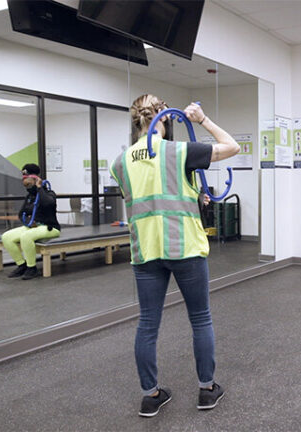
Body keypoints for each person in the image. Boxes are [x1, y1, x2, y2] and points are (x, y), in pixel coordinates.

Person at [109, 94, 240, 417]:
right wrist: (202, 120)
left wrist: (194, 195)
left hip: (146, 251)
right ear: (164, 118)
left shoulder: (120, 162)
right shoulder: (179, 151)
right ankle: (207, 390)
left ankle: (151, 396)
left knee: (148, 324)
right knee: (200, 318)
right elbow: (232, 146)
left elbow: (149, 196)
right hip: (185, 248)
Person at [2, 163, 60, 280]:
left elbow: (48, 203)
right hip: (32, 227)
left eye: (28, 180)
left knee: (26, 237)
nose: (26, 184)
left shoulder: (49, 193)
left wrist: (39, 188)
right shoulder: (29, 197)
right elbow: (21, 214)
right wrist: (29, 222)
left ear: (36, 180)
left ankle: (31, 268)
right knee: (6, 237)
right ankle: (21, 265)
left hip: (50, 228)